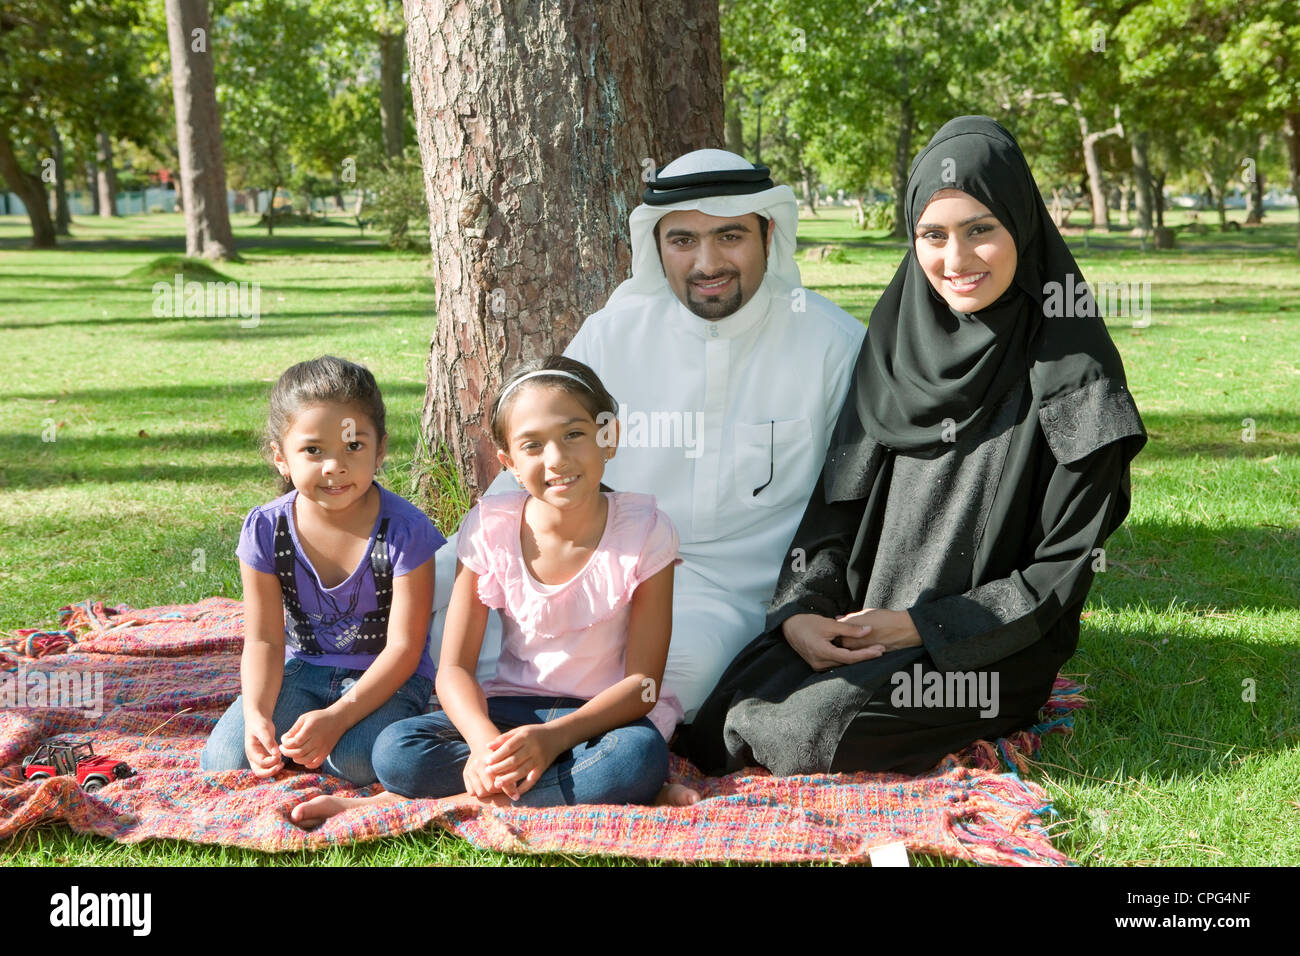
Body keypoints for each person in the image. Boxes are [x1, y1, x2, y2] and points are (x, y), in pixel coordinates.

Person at [677, 116, 1147, 777]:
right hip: (861, 622)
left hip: (985, 648)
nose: (956, 261)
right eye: (934, 235)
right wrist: (804, 613)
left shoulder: (1076, 378)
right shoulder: (894, 348)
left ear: (1022, 224)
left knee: (814, 725)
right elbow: (835, 509)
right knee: (731, 693)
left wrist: (922, 627)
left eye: (981, 229)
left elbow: (1060, 573)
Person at [425, 149, 866, 734]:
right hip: (591, 557)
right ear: (657, 247)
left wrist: (805, 604)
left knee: (679, 670)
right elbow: (537, 453)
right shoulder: (616, 333)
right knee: (421, 599)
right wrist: (459, 559)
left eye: (730, 236)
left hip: (724, 590)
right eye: (683, 240)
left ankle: (545, 746)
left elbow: (855, 497)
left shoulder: (832, 343)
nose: (707, 263)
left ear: (768, 234)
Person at [292, 357, 678, 823]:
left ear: (607, 436)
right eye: (532, 445)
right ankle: (569, 788)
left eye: (573, 434)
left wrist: (552, 740)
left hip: (598, 722)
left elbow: (643, 686)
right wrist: (481, 744)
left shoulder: (645, 532)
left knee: (636, 758)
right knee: (396, 750)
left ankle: (439, 802)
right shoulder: (490, 528)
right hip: (506, 714)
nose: (555, 459)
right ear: (510, 462)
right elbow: (453, 667)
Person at [200, 356, 442, 787]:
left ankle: (325, 740)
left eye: (353, 446)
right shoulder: (265, 528)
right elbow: (264, 639)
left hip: (385, 677)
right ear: (281, 457)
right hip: (302, 668)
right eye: (313, 450)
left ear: (381, 448)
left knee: (353, 761)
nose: (334, 466)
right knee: (226, 758)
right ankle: (300, 740)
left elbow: (405, 649)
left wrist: (337, 717)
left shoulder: (407, 531)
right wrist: (256, 714)